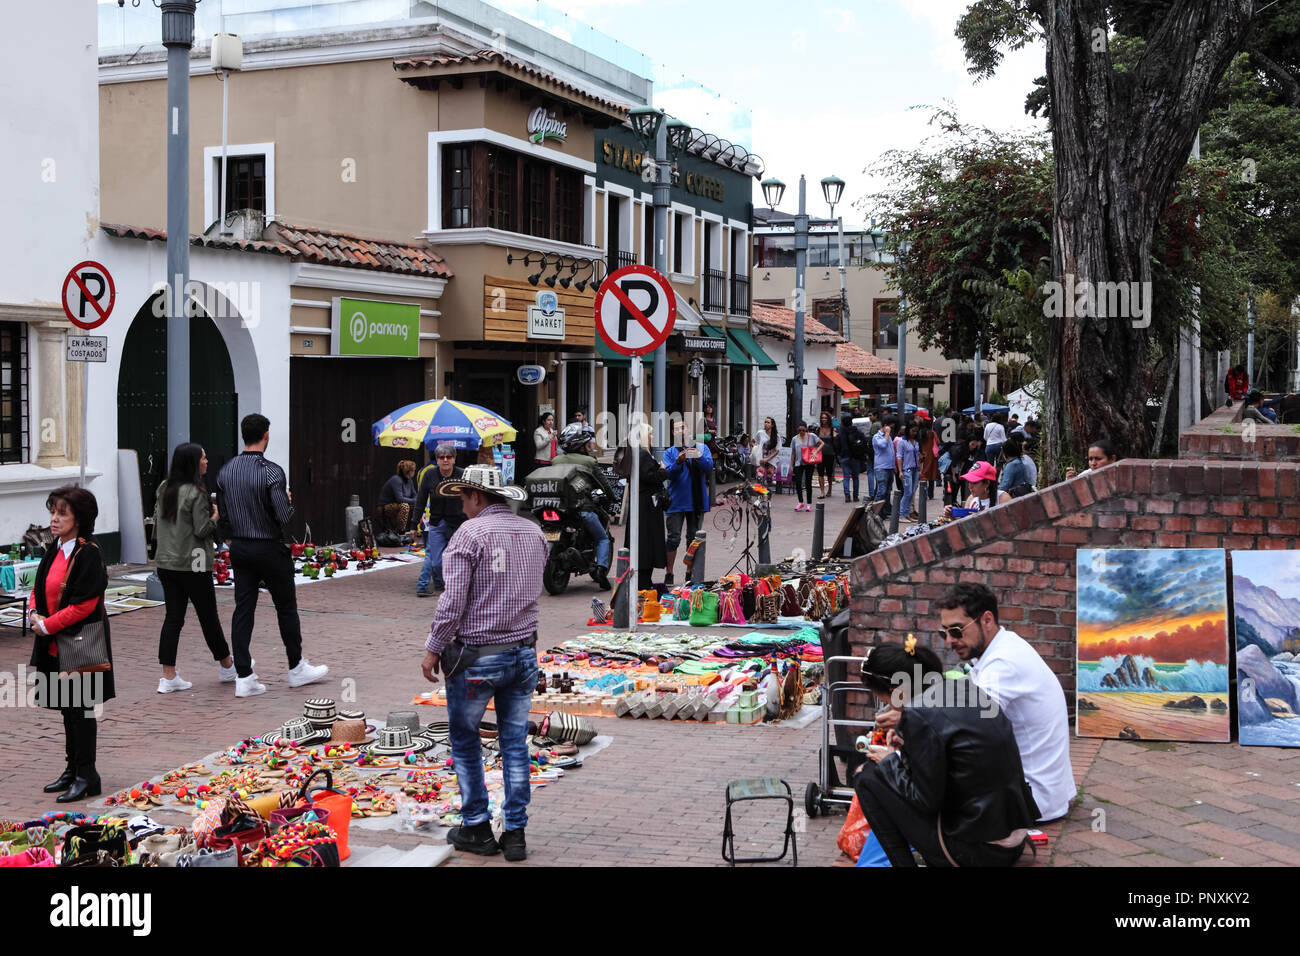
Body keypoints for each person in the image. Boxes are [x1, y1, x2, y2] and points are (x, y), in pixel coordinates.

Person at [421, 465, 545, 862]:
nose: (462, 505)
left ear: (477, 497)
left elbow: (452, 602)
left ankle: (476, 824)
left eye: (463, 498)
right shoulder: (533, 532)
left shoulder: (469, 535)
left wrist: (433, 648)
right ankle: (515, 833)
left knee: (465, 740)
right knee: (514, 743)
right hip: (523, 652)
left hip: (478, 656)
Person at [854, 641, 1040, 867]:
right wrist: (908, 742)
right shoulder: (960, 687)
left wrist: (890, 761)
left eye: (885, 701)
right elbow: (955, 756)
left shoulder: (918, 713)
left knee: (867, 775)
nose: (888, 708)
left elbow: (925, 801)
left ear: (896, 692)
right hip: (1013, 839)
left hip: (980, 852)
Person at [935, 584, 1076, 821]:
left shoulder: (1003, 662)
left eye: (957, 631)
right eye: (944, 632)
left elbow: (967, 726)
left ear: (987, 620)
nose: (949, 641)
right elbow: (962, 701)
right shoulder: (1004, 646)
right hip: (1043, 790)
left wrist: (908, 720)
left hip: (1032, 799)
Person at [216, 413, 329, 698]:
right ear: (266, 435)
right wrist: (288, 502)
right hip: (268, 545)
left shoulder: (226, 470)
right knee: (286, 607)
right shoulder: (272, 471)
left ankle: (244, 675)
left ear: (244, 435)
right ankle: (295, 667)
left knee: (244, 609)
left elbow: (224, 515)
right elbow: (283, 516)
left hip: (240, 546)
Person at [28, 486, 113, 803]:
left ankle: (87, 775)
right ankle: (71, 769)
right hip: (54, 643)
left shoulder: (88, 552)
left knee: (82, 711)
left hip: (79, 643)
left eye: (62, 513)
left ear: (79, 518)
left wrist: (46, 624)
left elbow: (86, 605)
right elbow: (39, 585)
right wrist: (35, 612)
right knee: (67, 708)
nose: (54, 519)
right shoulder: (55, 548)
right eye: (52, 512)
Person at [152, 442, 234, 692]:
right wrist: (215, 517)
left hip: (166, 562)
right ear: (193, 463)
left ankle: (168, 676)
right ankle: (227, 665)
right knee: (208, 616)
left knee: (173, 618)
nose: (207, 462)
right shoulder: (196, 492)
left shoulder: (164, 488)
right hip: (194, 561)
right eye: (203, 458)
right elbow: (201, 530)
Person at [550, 423, 616, 588]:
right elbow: (604, 484)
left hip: (558, 509)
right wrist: (613, 498)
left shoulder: (555, 460)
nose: (590, 446)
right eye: (587, 443)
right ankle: (601, 571)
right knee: (602, 539)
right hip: (583, 510)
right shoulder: (589, 461)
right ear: (579, 444)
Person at [663, 419, 714, 587]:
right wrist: (678, 461)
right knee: (673, 538)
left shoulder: (700, 448)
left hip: (696, 502)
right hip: (676, 501)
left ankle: (689, 573)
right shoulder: (670, 452)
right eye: (677, 429)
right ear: (673, 433)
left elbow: (709, 467)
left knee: (692, 539)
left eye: (683, 427)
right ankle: (669, 572)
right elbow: (668, 474)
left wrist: (697, 457)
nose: (681, 431)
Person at [414, 444, 465, 597]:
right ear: (436, 460)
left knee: (457, 558)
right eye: (441, 458)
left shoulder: (462, 474)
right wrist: (413, 524)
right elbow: (421, 500)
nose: (445, 460)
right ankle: (441, 581)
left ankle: (453, 587)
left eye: (448, 457)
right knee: (436, 562)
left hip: (458, 524)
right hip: (436, 522)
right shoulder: (430, 475)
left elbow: (472, 498)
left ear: (454, 459)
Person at [621, 439, 668, 589]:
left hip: (639, 504)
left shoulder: (633, 454)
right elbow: (650, 477)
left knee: (640, 542)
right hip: (647, 507)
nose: (652, 438)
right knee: (648, 542)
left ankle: (641, 580)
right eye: (650, 434)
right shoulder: (643, 455)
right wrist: (662, 470)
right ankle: (644, 583)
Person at [944, 461, 1011, 518]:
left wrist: (980, 520)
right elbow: (966, 529)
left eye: (975, 482)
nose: (970, 486)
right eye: (969, 482)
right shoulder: (972, 499)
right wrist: (952, 516)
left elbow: (1011, 527)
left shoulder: (1002, 498)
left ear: (987, 483)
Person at [377, 460, 417, 535]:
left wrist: (416, 500)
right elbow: (400, 498)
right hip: (385, 507)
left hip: (397, 505)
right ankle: (400, 532)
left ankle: (416, 528)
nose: (414, 472)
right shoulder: (396, 480)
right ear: (409, 471)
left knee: (418, 505)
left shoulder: (409, 481)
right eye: (413, 470)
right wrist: (415, 500)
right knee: (405, 506)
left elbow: (414, 494)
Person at [892, 422, 920, 528]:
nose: (914, 433)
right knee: (907, 492)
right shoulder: (901, 442)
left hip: (915, 469)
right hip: (906, 469)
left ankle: (907, 514)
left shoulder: (916, 441)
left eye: (916, 431)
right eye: (913, 431)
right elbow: (899, 456)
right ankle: (902, 514)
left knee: (911, 492)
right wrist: (900, 471)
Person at [789, 422, 822, 511]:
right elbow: (793, 453)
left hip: (809, 462)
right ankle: (800, 502)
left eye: (803, 430)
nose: (801, 432)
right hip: (798, 463)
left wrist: (816, 451)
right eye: (799, 430)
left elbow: (821, 443)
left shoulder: (811, 436)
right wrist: (791, 465)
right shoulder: (794, 439)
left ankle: (809, 503)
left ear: (806, 429)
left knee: (808, 483)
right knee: (798, 482)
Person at [917, 420, 940, 523]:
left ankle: (924, 495)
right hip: (931, 457)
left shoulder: (919, 434)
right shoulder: (931, 433)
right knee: (931, 476)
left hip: (922, 456)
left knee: (923, 475)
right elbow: (938, 442)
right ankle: (930, 494)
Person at [870, 415, 895, 504]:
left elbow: (892, 451)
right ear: (885, 426)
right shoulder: (877, 437)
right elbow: (883, 445)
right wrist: (887, 433)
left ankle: (885, 510)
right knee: (882, 490)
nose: (891, 429)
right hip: (881, 467)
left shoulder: (889, 437)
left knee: (888, 491)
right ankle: (874, 510)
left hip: (890, 467)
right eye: (890, 427)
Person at [815, 409, 837, 499]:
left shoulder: (832, 429)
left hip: (830, 454)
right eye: (822, 418)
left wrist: (836, 436)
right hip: (820, 454)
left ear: (828, 419)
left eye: (825, 418)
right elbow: (815, 441)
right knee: (820, 473)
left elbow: (836, 440)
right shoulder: (818, 429)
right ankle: (822, 492)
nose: (823, 419)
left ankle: (830, 490)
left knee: (829, 473)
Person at [757, 417, 781, 483]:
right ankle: (760, 492)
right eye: (765, 422)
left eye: (768, 422)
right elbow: (753, 442)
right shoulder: (760, 433)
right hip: (761, 460)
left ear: (772, 425)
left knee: (769, 480)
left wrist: (767, 459)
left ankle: (767, 493)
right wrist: (755, 450)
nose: (766, 424)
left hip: (771, 461)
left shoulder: (777, 436)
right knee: (759, 478)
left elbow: (777, 451)